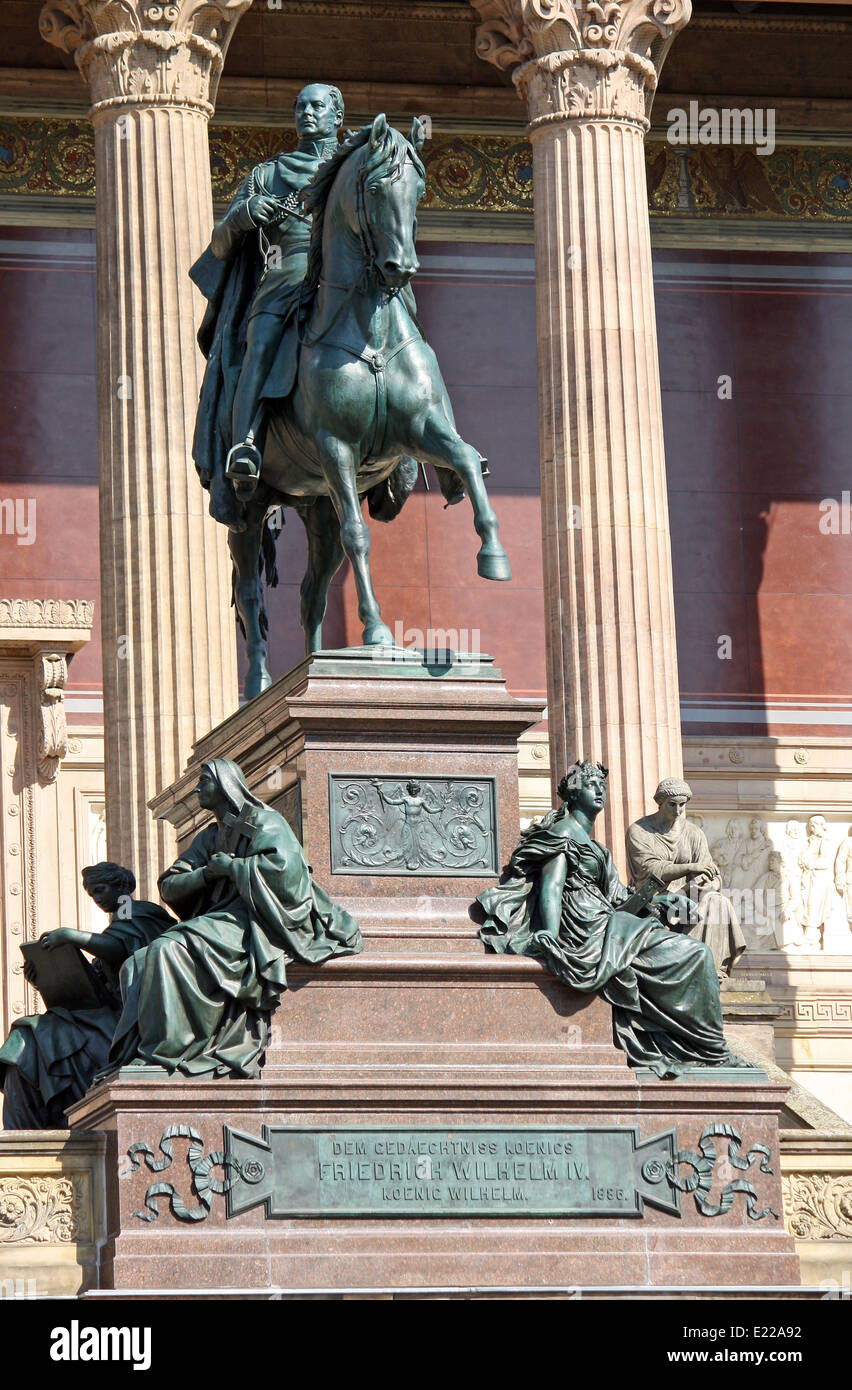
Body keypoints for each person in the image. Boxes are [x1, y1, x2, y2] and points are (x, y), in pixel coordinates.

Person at [477, 762, 747, 1079]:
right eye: (593, 786)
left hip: (609, 921)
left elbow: (620, 898)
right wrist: (549, 935)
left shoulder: (595, 846)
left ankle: (700, 1048)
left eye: (603, 786)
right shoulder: (563, 834)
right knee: (696, 955)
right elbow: (551, 886)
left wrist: (659, 898)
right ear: (574, 795)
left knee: (695, 954)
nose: (601, 791)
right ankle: (709, 1051)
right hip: (588, 928)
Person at [107, 758, 362, 1078]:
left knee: (167, 950)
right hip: (222, 920)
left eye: (205, 780)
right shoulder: (211, 836)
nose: (198, 787)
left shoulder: (264, 822)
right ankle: (136, 1057)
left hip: (257, 920)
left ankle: (168, 1050)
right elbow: (169, 885)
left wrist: (233, 868)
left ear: (226, 784)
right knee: (136, 964)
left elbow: (287, 877)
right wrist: (205, 874)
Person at [191, 83, 345, 526]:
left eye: (317, 106)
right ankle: (246, 443)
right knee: (257, 342)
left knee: (408, 326)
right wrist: (241, 215)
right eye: (300, 106)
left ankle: (429, 444)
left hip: (351, 271)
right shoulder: (267, 174)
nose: (306, 113)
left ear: (337, 116)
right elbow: (219, 246)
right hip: (289, 269)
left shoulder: (356, 162)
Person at [0, 864, 173, 1128]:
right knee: (28, 1038)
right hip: (103, 1016)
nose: (98, 899)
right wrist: (44, 978)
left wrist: (72, 936)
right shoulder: (120, 917)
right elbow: (94, 986)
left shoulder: (133, 909)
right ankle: (20, 1145)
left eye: (101, 890)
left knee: (31, 1036)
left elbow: (121, 947)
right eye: (93, 894)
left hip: (133, 1021)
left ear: (121, 888)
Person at [625, 777, 746, 981]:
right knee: (693, 905)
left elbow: (710, 871)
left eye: (682, 805)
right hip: (653, 901)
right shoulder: (639, 831)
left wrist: (711, 883)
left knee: (718, 902)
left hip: (689, 896)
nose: (678, 810)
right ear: (660, 803)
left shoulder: (693, 833)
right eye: (672, 805)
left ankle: (711, 969)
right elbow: (652, 869)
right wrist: (691, 867)